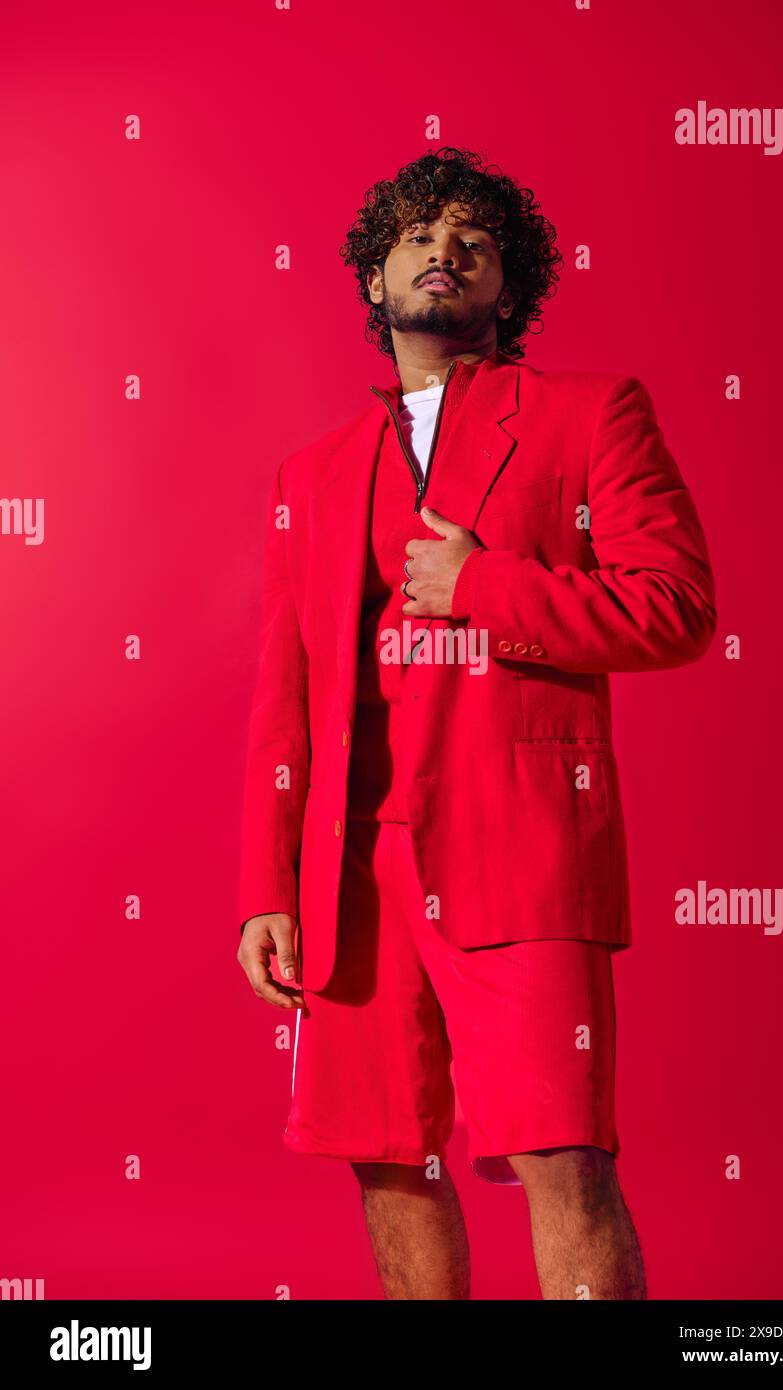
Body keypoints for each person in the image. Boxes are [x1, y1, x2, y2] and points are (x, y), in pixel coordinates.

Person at [236, 146, 716, 1300]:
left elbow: (679, 605)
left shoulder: (591, 414)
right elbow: (283, 692)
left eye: (473, 242)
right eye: (416, 236)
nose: (442, 254)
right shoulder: (312, 472)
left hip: (523, 842)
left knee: (562, 1155)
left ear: (509, 288)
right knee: (387, 1161)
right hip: (354, 870)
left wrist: (485, 586)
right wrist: (267, 883)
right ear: (373, 279)